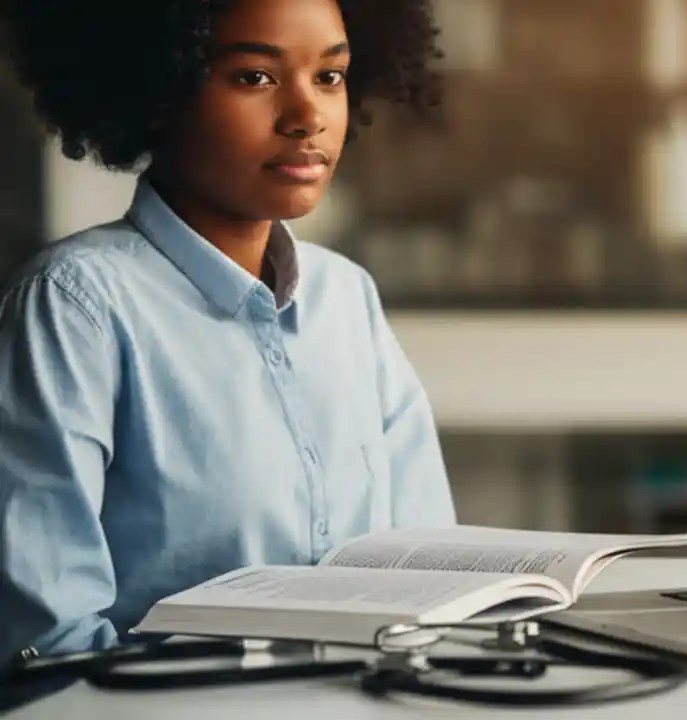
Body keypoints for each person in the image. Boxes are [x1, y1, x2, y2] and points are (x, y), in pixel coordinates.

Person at [0, 0, 453, 665]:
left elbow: (431, 570)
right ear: (158, 89)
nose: (308, 117)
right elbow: (43, 639)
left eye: (329, 76)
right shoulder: (75, 308)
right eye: (254, 77)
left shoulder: (347, 299)